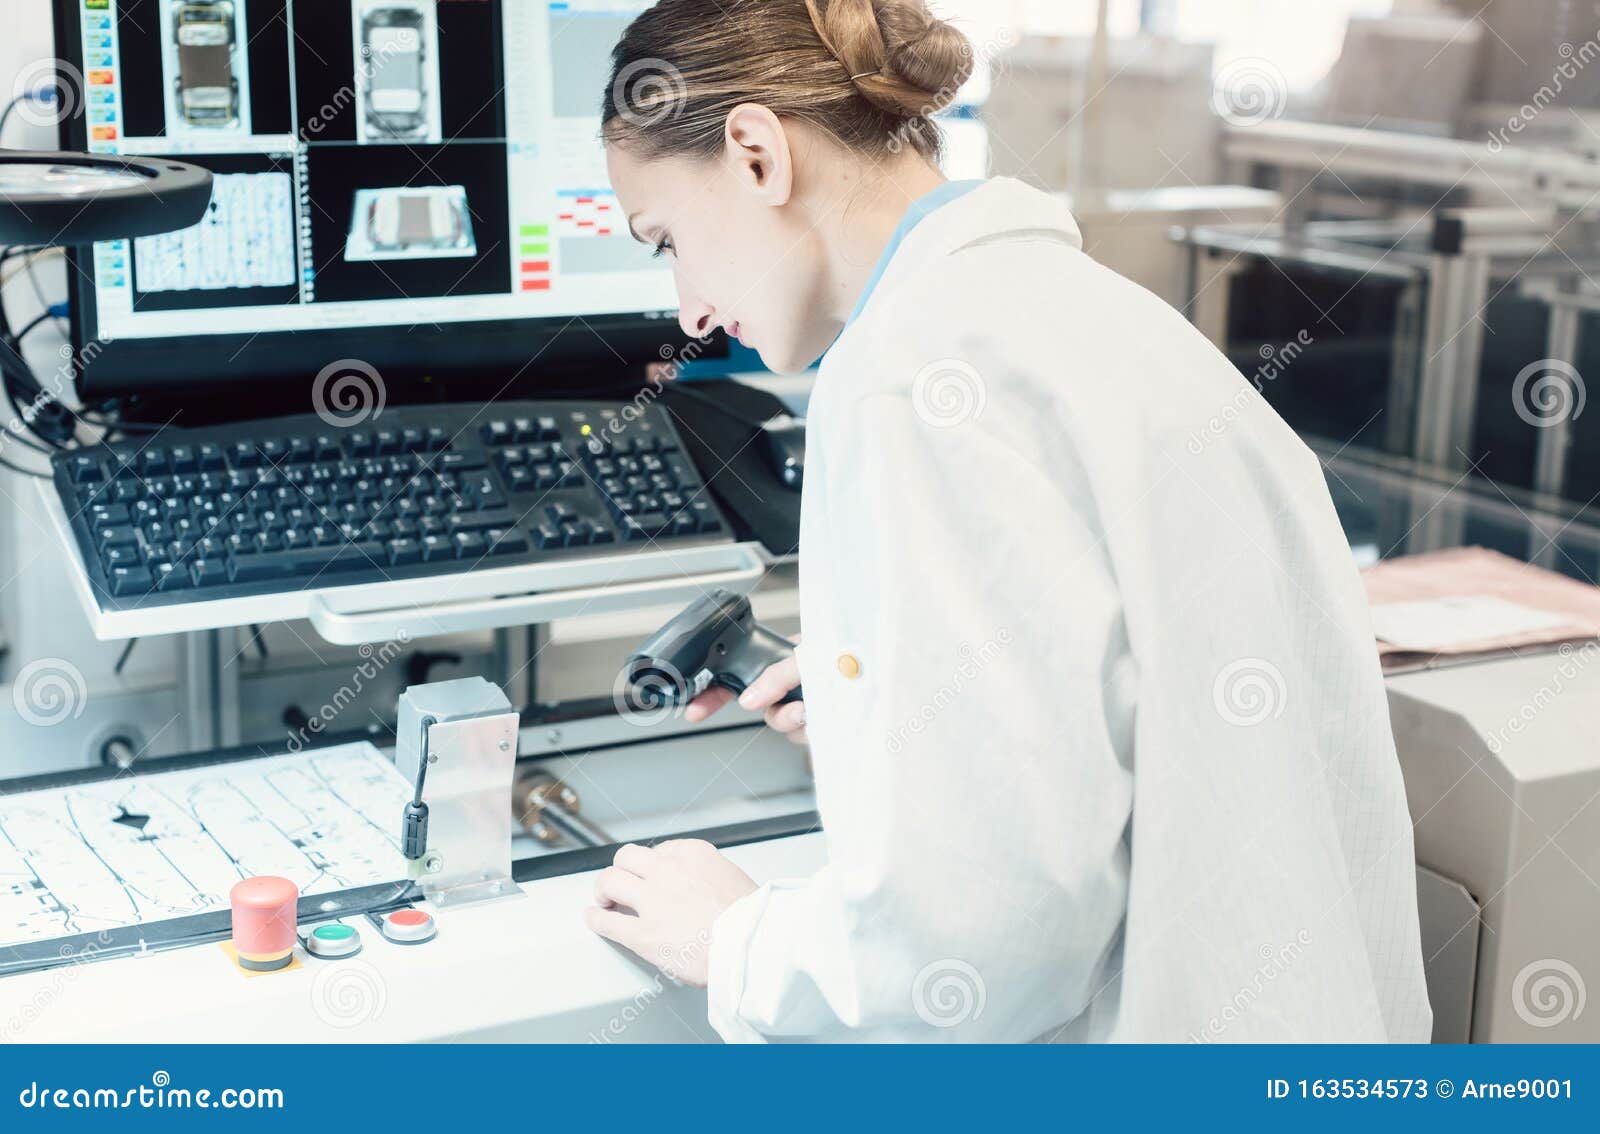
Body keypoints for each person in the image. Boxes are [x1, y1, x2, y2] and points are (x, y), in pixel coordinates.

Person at [584, 0, 1433, 1043]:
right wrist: (900, 692)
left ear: (757, 155)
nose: (690, 313)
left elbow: (978, 952)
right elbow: (1134, 679)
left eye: (667, 241)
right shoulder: (1098, 319)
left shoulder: (908, 380)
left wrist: (737, 944)